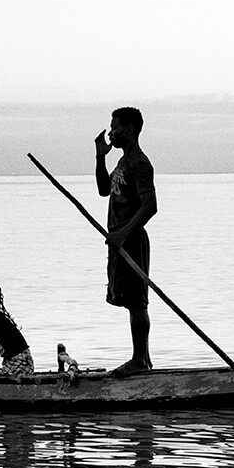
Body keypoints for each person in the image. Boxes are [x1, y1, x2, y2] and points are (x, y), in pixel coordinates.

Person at [96, 106, 157, 377]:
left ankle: (140, 360)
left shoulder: (140, 163)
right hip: (118, 240)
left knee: (137, 302)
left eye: (115, 128)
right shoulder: (122, 162)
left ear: (129, 130)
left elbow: (150, 206)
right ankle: (143, 359)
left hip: (131, 239)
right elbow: (103, 190)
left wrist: (125, 232)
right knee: (128, 300)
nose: (111, 133)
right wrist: (100, 157)